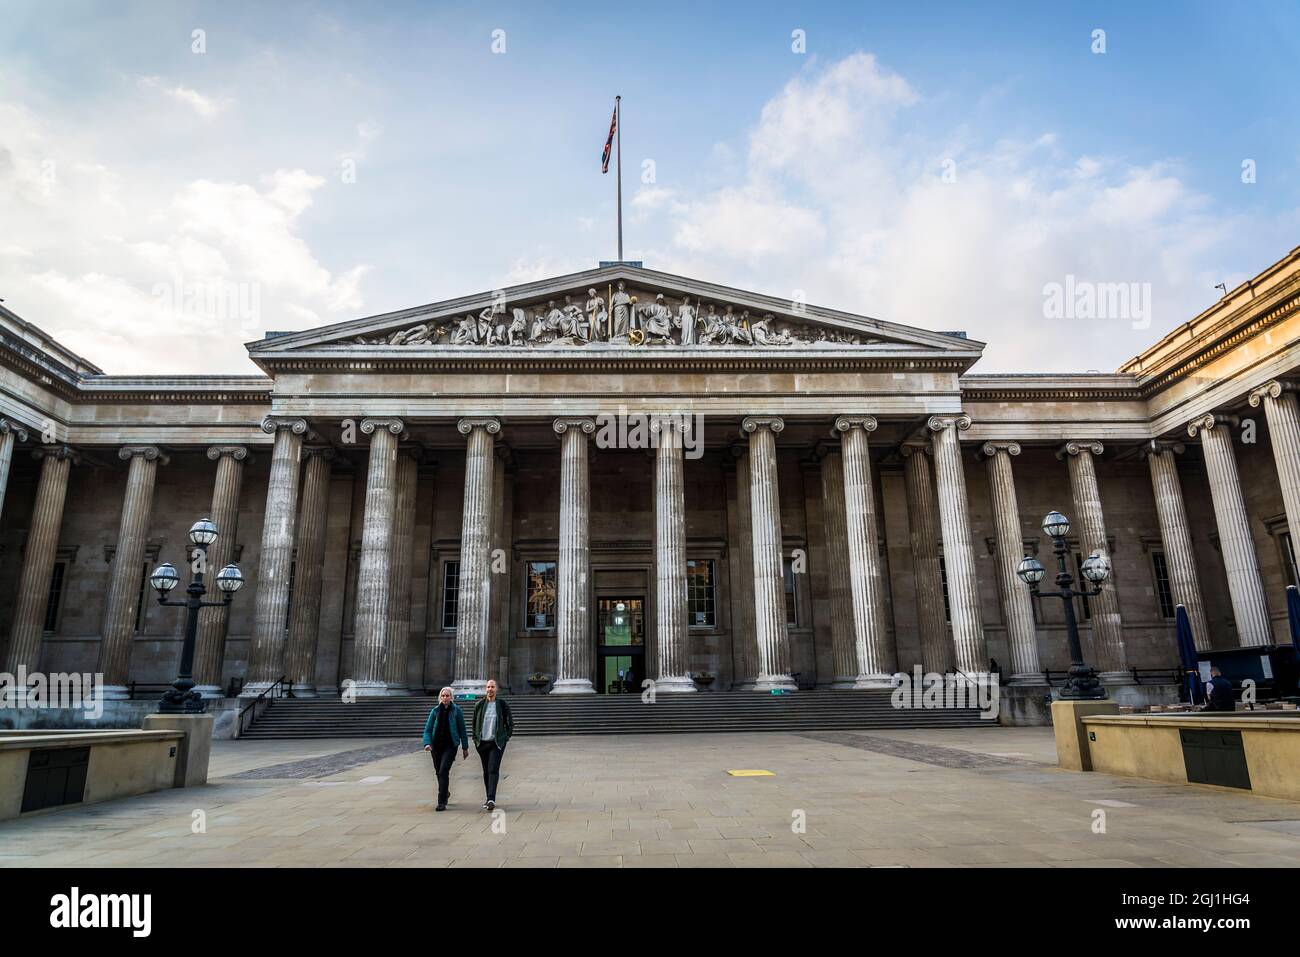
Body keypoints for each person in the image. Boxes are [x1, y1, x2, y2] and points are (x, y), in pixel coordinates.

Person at [422, 687, 469, 811]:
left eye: (447, 696)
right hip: (436, 746)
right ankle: (445, 791)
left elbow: (462, 730)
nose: (445, 698)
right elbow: (427, 729)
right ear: (440, 697)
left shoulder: (457, 711)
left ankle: (441, 801)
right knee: (438, 772)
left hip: (450, 746)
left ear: (451, 697)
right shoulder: (435, 711)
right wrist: (427, 743)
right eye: (443, 696)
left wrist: (465, 747)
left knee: (443, 771)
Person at [472, 679, 514, 811]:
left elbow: (510, 723)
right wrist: (475, 739)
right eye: (488, 687)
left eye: (492, 687)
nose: (490, 689)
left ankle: (491, 798)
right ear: (486, 689)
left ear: (496, 689)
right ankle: (488, 797)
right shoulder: (479, 705)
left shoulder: (502, 704)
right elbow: (474, 724)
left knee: (493, 769)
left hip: (496, 743)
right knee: (486, 771)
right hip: (482, 743)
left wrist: (505, 737)